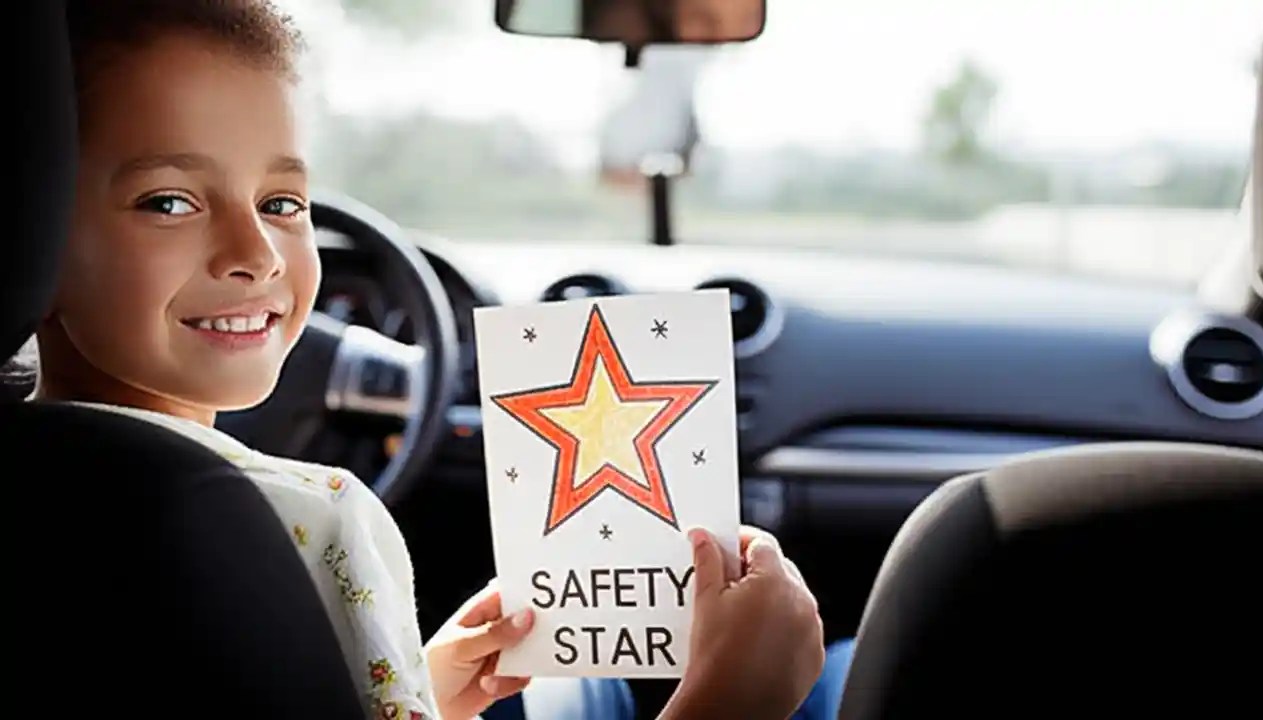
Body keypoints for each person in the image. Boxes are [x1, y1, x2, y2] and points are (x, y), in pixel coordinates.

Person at [23, 1, 833, 718]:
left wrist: (414, 687)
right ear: (29, 230)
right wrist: (733, 698)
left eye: (282, 204)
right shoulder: (302, 521)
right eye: (170, 202)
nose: (258, 253)